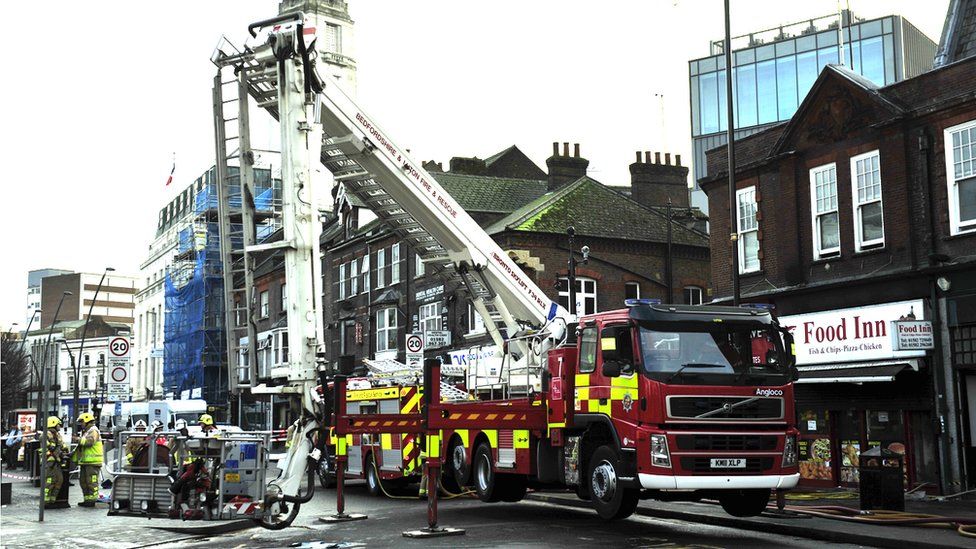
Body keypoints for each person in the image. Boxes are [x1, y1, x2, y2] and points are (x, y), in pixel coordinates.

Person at [168, 414, 218, 519]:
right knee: (188, 481)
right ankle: (182, 504)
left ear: (207, 422)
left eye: (202, 424)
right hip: (199, 465)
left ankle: (176, 490)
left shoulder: (214, 433)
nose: (200, 426)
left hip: (210, 465)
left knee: (193, 471)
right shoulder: (202, 433)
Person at [72, 412, 103, 507]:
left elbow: (90, 442)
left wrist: (78, 439)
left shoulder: (94, 430)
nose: (81, 424)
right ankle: (87, 500)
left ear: (87, 421)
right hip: (86, 462)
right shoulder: (87, 431)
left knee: (91, 482)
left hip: (93, 462)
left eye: (82, 422)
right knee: (83, 482)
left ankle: (92, 500)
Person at [42, 417, 69, 507]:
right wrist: (56, 452)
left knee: (59, 480)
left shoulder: (58, 435)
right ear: (53, 424)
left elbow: (62, 445)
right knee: (50, 481)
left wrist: (65, 451)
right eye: (58, 425)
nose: (59, 426)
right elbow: (47, 446)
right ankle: (46, 501)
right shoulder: (46, 435)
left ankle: (52, 500)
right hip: (49, 462)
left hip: (57, 462)